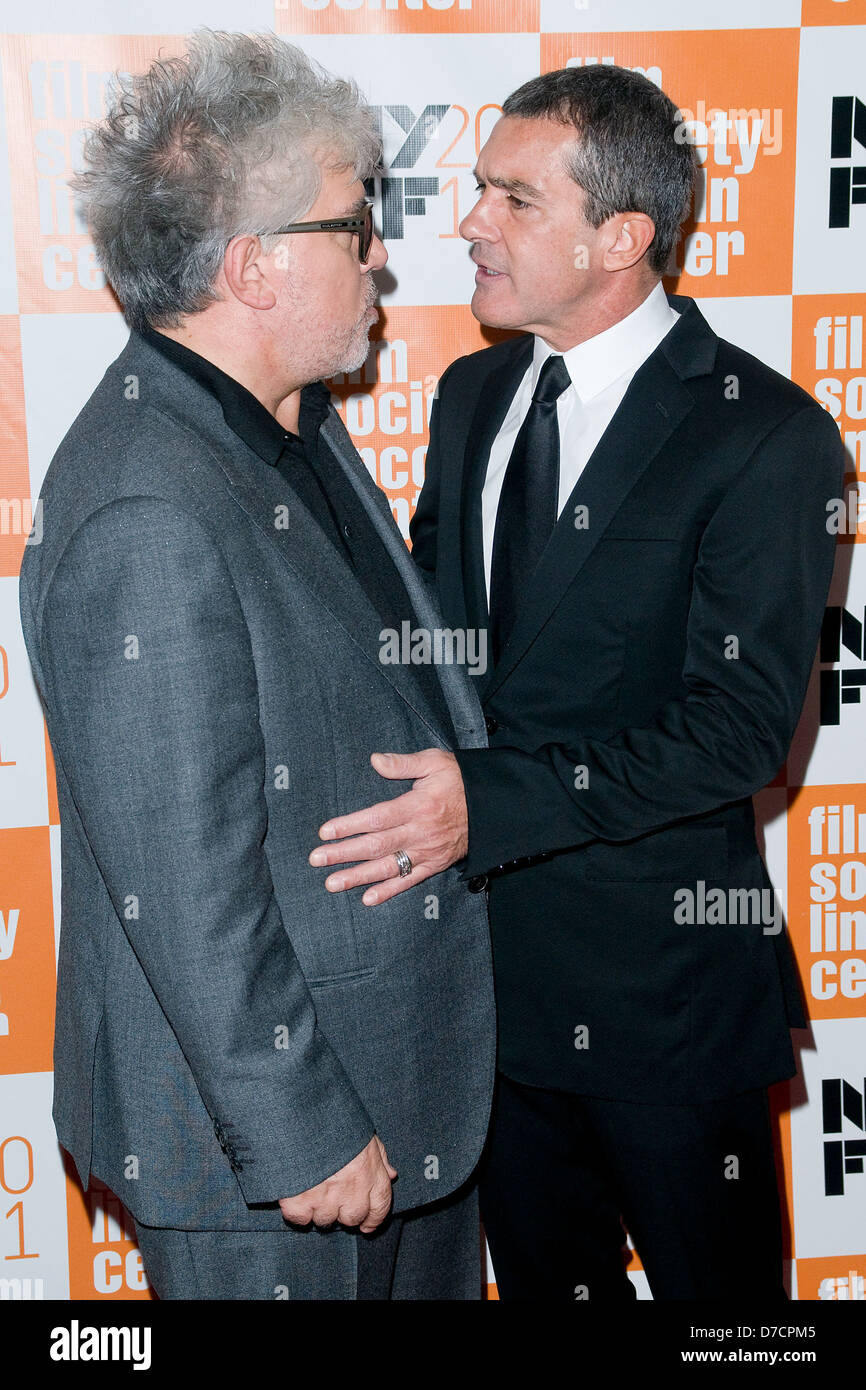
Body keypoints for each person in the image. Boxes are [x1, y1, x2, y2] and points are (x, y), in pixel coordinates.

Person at [309, 65, 845, 1300]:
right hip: (477, 999)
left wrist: (483, 804)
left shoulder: (761, 435)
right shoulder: (472, 394)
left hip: (659, 1001)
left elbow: (738, 731)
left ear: (621, 236)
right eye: (479, 189)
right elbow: (439, 646)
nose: (469, 223)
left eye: (512, 198)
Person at [18, 29, 495, 1302]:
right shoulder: (148, 508)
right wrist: (300, 1126)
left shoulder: (289, 424)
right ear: (253, 267)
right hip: (274, 1154)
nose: (385, 255)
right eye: (356, 223)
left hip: (400, 1086)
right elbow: (181, 881)